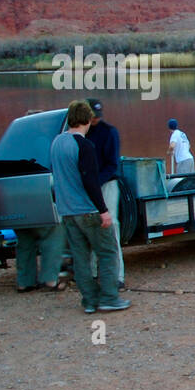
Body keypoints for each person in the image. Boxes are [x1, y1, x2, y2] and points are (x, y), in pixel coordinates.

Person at [49, 100, 130, 314]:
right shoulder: (84, 145)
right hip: (87, 209)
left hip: (67, 211)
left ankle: (90, 301)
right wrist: (103, 210)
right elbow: (90, 181)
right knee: (107, 252)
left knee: (81, 257)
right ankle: (110, 298)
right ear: (86, 119)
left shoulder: (56, 142)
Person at [87, 98, 126, 290]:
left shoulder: (109, 132)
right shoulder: (81, 134)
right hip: (89, 186)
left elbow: (113, 164)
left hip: (107, 184)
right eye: (92, 116)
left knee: (111, 226)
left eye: (97, 116)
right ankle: (93, 272)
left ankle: (118, 275)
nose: (95, 120)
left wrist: (96, 181)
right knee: (91, 227)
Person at [14, 221, 66, 293]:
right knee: (53, 237)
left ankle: (24, 283)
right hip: (42, 215)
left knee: (25, 245)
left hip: (18, 216)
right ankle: (50, 280)